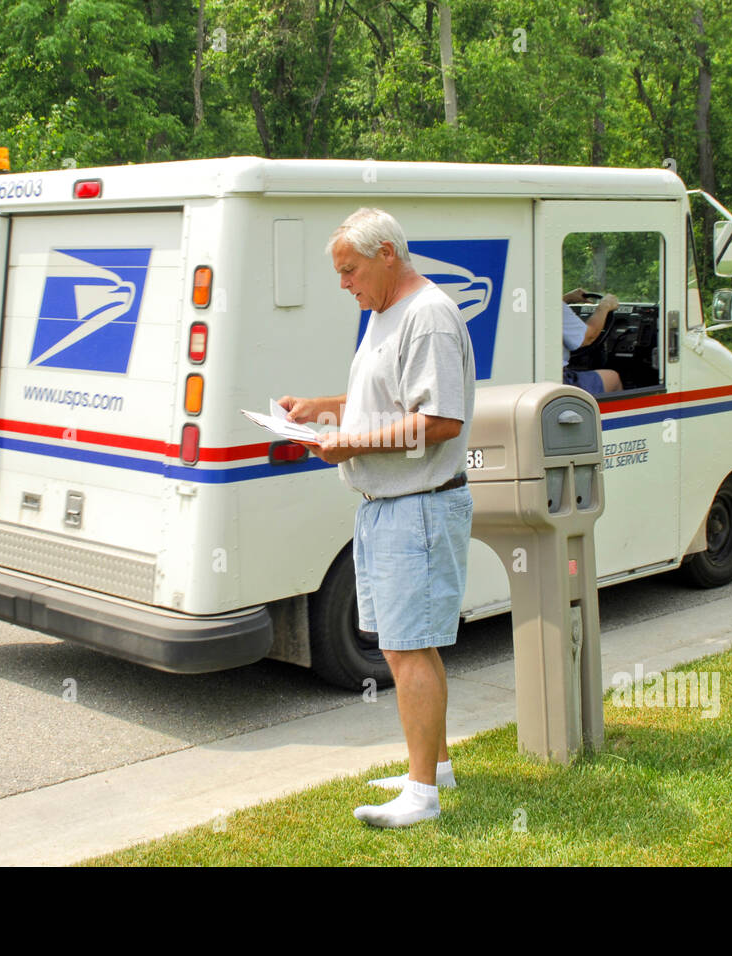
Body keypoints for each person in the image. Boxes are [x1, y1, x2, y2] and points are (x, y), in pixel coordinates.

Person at [278, 207, 475, 829]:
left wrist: (350, 444)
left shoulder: (429, 317)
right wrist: (322, 408)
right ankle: (434, 766)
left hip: (415, 507)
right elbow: (383, 399)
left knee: (408, 646)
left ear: (387, 253)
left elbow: (441, 421)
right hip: (390, 509)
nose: (345, 284)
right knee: (403, 645)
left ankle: (422, 795)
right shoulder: (386, 313)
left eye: (350, 270)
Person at [561, 288, 623, 395]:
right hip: (558, 380)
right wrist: (604, 307)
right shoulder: (557, 309)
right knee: (614, 378)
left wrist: (565, 299)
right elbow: (587, 338)